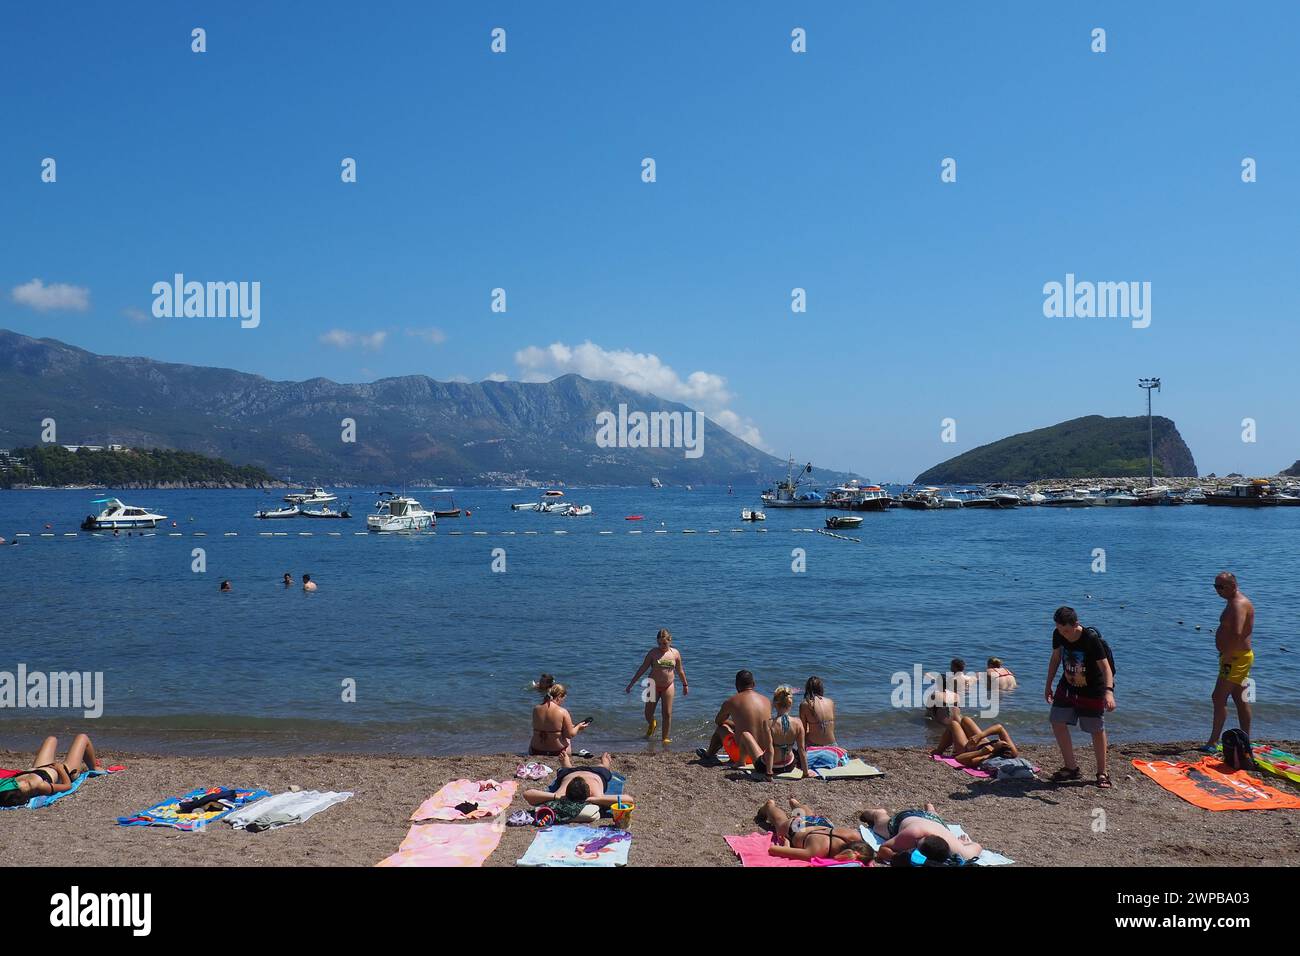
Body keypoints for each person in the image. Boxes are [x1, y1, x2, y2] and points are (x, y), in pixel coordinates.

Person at [1045, 606, 1115, 788]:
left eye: (1066, 630)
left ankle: (1102, 772)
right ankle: (1071, 767)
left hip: (1092, 689)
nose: (1063, 634)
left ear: (1076, 624)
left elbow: (1105, 668)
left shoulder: (1090, 639)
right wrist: (1048, 685)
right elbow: (1055, 658)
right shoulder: (1058, 634)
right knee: (1057, 721)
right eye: (1060, 630)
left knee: (1096, 730)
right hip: (1067, 685)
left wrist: (1108, 692)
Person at [1201, 572, 1255, 753]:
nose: (1217, 590)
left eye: (1221, 587)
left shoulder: (1238, 605)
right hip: (1238, 657)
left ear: (1233, 586)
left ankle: (1213, 742)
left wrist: (1229, 654)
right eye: (1215, 586)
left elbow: (1237, 633)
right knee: (1241, 698)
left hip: (1235, 658)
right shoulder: (1234, 602)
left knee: (1218, 697)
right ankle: (1245, 738)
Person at [758, 796, 873, 864]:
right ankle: (770, 807)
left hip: (820, 823)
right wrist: (787, 845)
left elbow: (865, 851)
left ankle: (796, 804)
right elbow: (774, 850)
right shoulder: (817, 852)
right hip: (797, 829)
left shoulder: (854, 835)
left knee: (807, 815)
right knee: (780, 821)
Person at [859, 803, 983, 865]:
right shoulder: (914, 835)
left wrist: (963, 844)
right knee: (879, 825)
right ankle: (878, 812)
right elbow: (883, 849)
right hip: (909, 818)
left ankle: (931, 810)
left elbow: (977, 846)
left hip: (935, 821)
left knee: (933, 817)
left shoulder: (957, 850)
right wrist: (899, 858)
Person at [624, 628, 689, 744]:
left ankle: (665, 738)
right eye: (659, 643)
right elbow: (642, 669)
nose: (662, 646)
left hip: (668, 686)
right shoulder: (653, 653)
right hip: (652, 685)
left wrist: (685, 684)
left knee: (667, 713)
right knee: (648, 713)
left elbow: (680, 670)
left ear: (670, 641)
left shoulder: (675, 653)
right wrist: (631, 684)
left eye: (664, 643)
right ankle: (652, 723)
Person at [0, 734, 102, 807]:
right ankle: (94, 767)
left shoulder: (14, 784)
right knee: (82, 737)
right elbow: (67, 786)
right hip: (66, 770)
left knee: (51, 739)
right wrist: (60, 769)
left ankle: (82, 764)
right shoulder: (40, 786)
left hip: (40, 768)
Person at [696, 670, 771, 767]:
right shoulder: (766, 700)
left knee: (722, 728)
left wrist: (731, 724)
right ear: (753, 684)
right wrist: (736, 725)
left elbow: (718, 721)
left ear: (736, 685)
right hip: (765, 755)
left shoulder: (731, 701)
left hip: (744, 757)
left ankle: (708, 754)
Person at [522, 752, 630, 809]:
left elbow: (528, 794)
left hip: (571, 773)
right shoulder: (596, 795)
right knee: (604, 768)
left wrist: (556, 796)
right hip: (595, 773)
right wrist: (595, 799)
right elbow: (628, 799)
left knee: (604, 767)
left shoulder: (561, 793)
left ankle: (567, 765)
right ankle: (604, 762)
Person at [754, 686, 809, 780]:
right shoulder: (798, 723)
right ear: (790, 704)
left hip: (768, 766)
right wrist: (805, 773)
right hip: (788, 765)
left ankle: (741, 762)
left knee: (749, 741)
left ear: (775, 703)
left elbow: (770, 750)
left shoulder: (768, 724)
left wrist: (769, 773)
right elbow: (801, 750)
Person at [932, 715, 1020, 768]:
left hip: (969, 751)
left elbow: (959, 758)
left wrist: (982, 752)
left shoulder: (986, 758)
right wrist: (980, 736)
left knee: (953, 724)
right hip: (983, 743)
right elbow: (999, 728)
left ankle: (939, 750)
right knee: (965, 719)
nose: (1001, 741)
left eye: (997, 743)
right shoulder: (1011, 751)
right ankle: (954, 741)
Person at [530, 683, 589, 757]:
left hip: (536, 750)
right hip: (558, 752)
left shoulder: (536, 709)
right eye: (563, 699)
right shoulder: (563, 711)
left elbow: (547, 726)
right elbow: (570, 735)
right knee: (567, 738)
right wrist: (578, 727)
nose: (563, 702)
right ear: (559, 697)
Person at [799, 676, 837, 747]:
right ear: (821, 688)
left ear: (807, 689)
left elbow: (802, 731)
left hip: (814, 746)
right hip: (833, 745)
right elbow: (831, 727)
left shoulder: (805, 704)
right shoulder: (830, 702)